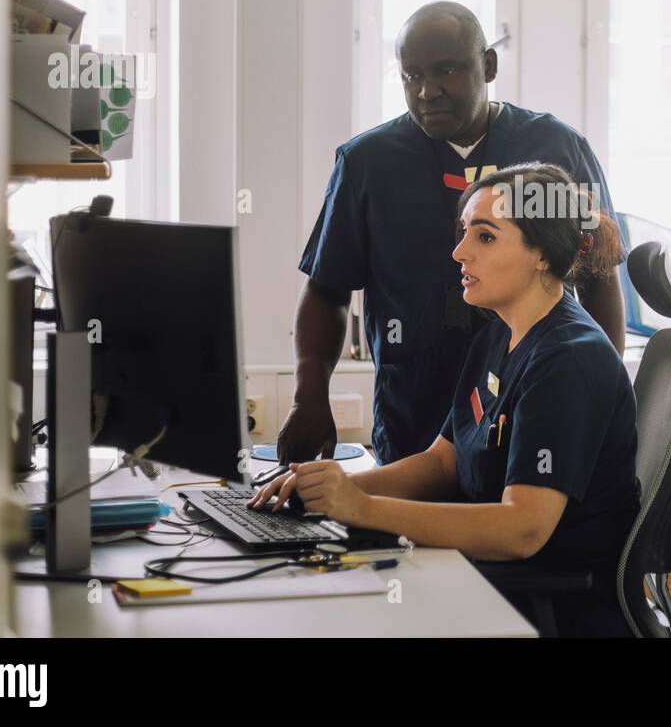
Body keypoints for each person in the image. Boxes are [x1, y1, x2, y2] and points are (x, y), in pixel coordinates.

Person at [252, 163, 641, 637]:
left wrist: (359, 507)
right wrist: (324, 488)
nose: (459, 252)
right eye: (464, 234)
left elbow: (523, 529)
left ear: (541, 254)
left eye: (485, 237)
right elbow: (443, 463)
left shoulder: (569, 360)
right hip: (490, 583)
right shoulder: (499, 334)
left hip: (551, 611)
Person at [284, 1, 626, 466]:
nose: (428, 91)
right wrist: (309, 398)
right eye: (411, 75)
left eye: (447, 70)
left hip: (535, 415)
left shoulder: (555, 151)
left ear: (488, 65)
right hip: (414, 427)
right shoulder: (369, 164)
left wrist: (603, 394)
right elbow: (327, 290)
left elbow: (599, 278)